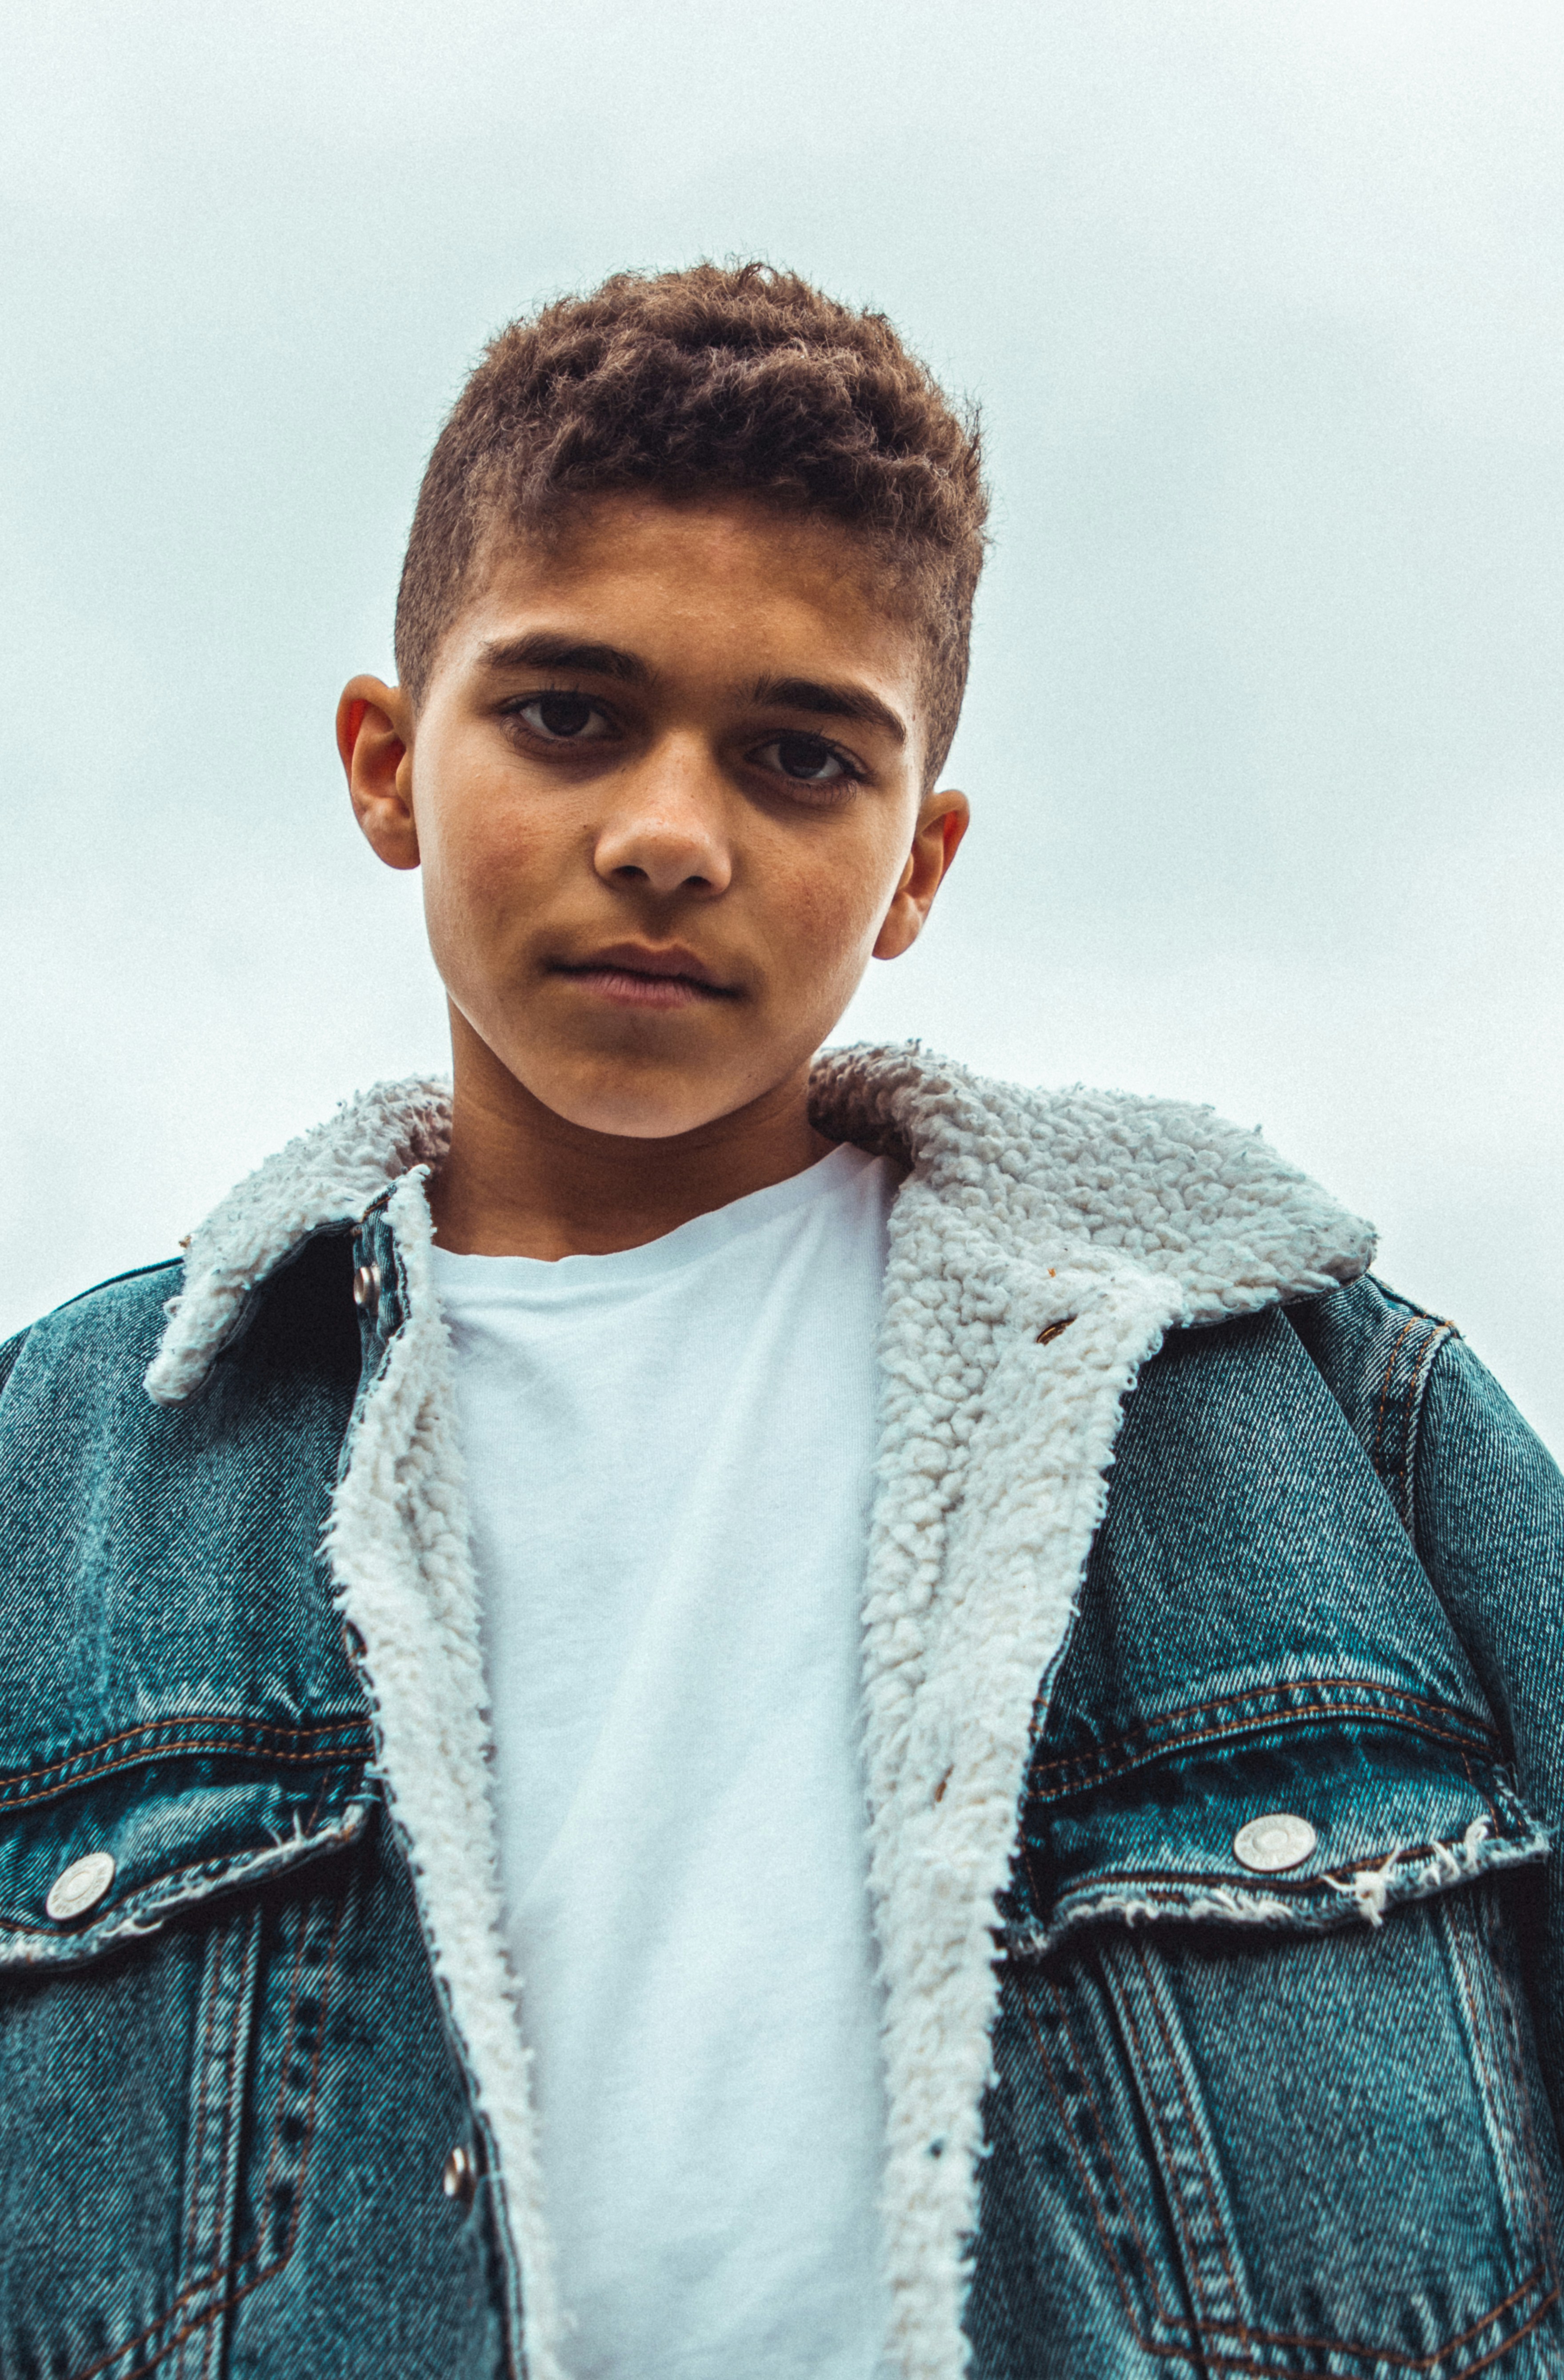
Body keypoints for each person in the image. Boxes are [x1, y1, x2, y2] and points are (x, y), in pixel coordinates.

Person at [3, 262, 1562, 2380]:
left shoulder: (1321, 1414)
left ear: (917, 864)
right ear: (386, 764)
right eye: (567, 713)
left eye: (797, 757)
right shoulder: (72, 1465)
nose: (666, 835)